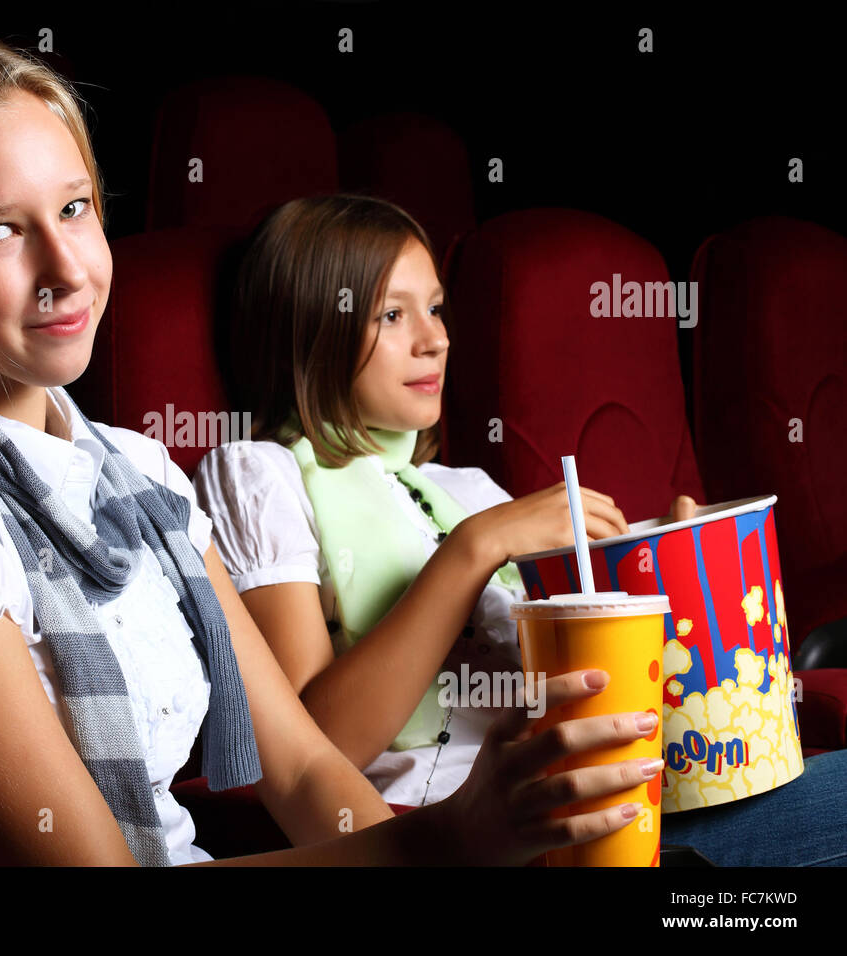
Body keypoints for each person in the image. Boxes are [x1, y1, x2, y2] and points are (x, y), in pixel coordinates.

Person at [0, 34, 694, 867]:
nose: (67, 269)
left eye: (75, 210)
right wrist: (447, 845)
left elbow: (310, 771)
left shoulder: (140, 473)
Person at [191, 194, 846, 865]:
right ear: (311, 329)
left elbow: (608, 673)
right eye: (392, 314)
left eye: (437, 308)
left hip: (628, 789)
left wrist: (680, 571)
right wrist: (474, 550)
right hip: (454, 827)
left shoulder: (468, 489)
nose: (436, 338)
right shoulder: (258, 473)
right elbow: (312, 744)